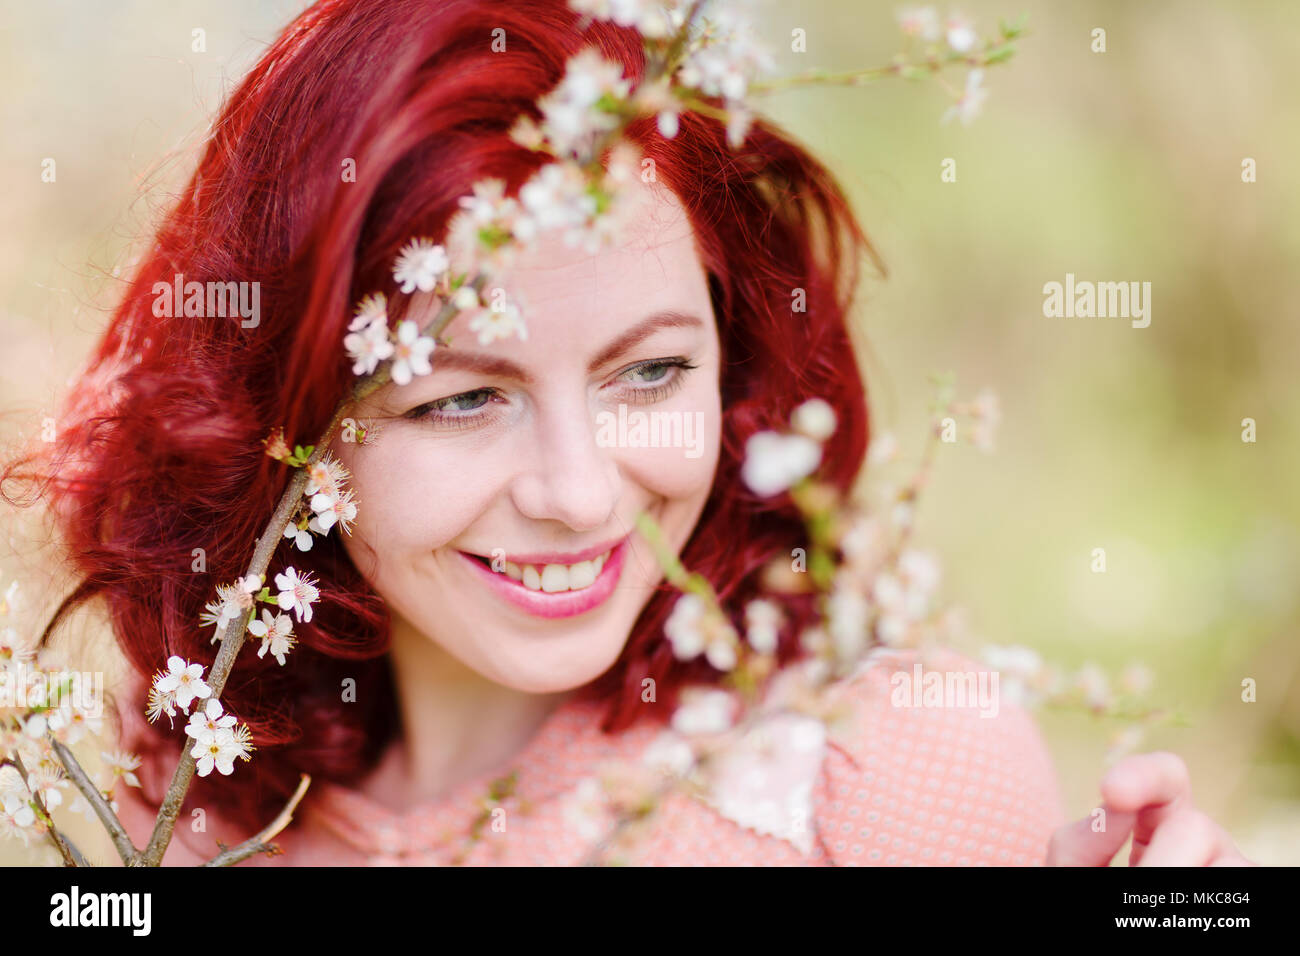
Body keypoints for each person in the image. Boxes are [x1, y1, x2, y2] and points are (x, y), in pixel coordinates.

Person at [5, 0, 1252, 867]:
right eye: (461, 396)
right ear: (290, 436)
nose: (579, 490)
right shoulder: (191, 809)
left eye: (647, 371)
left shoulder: (879, 778)